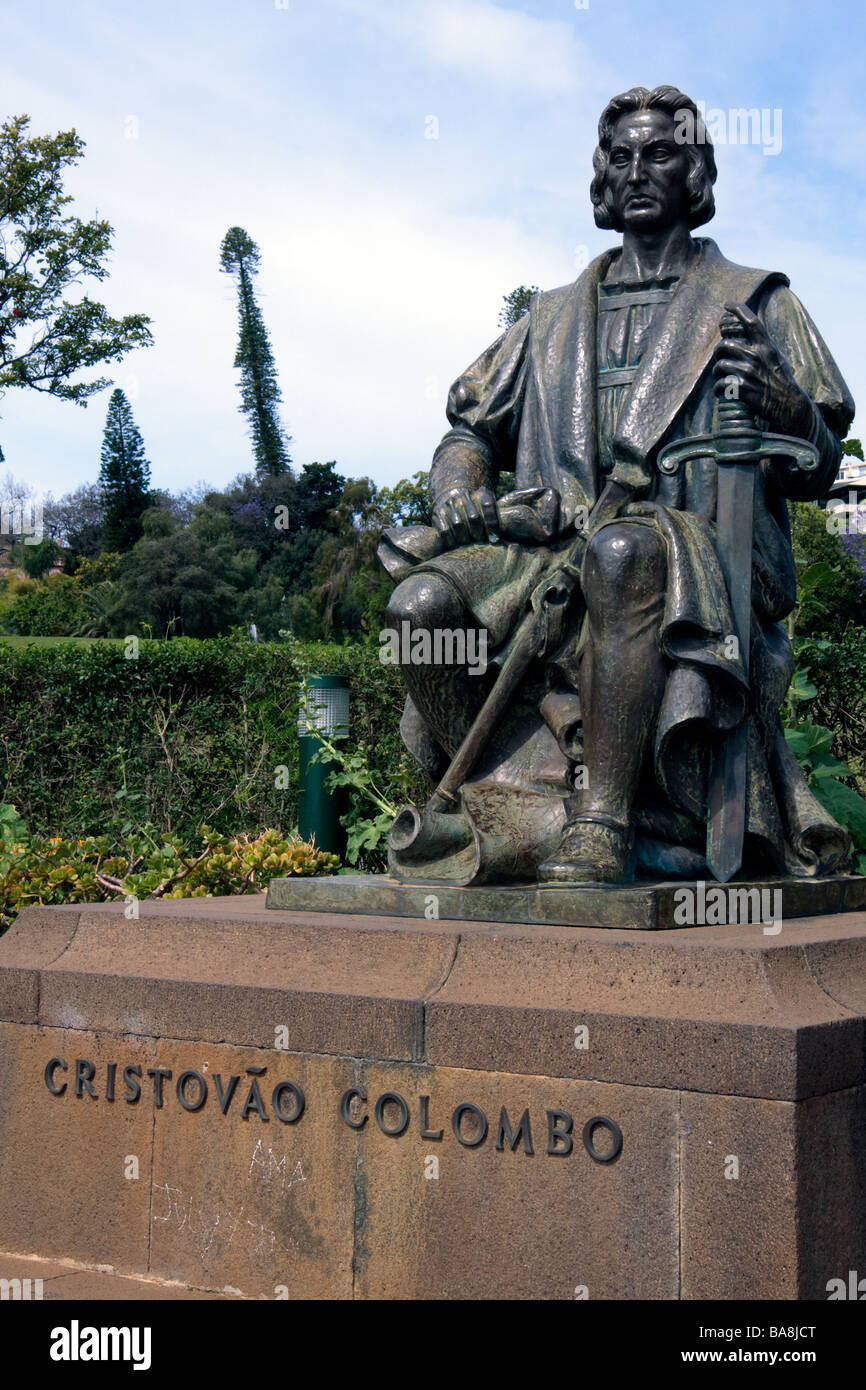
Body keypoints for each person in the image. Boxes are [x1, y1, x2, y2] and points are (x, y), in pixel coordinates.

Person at [379, 85, 854, 885]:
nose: (637, 171)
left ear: (696, 171)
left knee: (625, 550)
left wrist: (789, 408)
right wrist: (458, 485)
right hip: (547, 546)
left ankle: (604, 819)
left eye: (660, 153)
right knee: (417, 608)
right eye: (620, 156)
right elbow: (468, 430)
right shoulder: (551, 315)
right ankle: (502, 791)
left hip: (689, 553)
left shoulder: (756, 300)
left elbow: (821, 461)